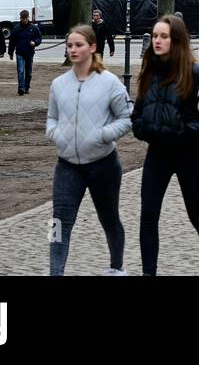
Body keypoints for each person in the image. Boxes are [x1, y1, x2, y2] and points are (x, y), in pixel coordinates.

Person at [132, 15, 199, 275]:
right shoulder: (150, 72)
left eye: (164, 36)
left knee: (196, 214)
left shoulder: (196, 73)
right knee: (148, 215)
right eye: (155, 36)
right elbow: (138, 111)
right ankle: (148, 272)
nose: (158, 41)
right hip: (158, 154)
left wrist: (185, 133)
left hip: (191, 155)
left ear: (177, 40)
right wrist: (142, 129)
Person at [46, 24, 132, 276]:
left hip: (103, 164)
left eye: (78, 44)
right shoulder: (58, 84)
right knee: (58, 220)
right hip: (67, 165)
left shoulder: (109, 83)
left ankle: (117, 267)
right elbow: (51, 118)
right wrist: (55, 134)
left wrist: (104, 134)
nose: (73, 49)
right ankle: (55, 272)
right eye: (69, 45)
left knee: (109, 218)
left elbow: (127, 118)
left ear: (92, 47)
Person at [11, 10, 42, 95]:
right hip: (20, 52)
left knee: (28, 72)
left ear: (28, 18)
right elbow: (12, 41)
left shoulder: (33, 28)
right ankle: (21, 88)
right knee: (20, 70)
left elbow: (39, 37)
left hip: (29, 52)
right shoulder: (16, 28)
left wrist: (35, 42)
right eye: (23, 18)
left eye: (26, 18)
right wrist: (10, 52)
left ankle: (26, 87)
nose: (24, 20)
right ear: (20, 18)